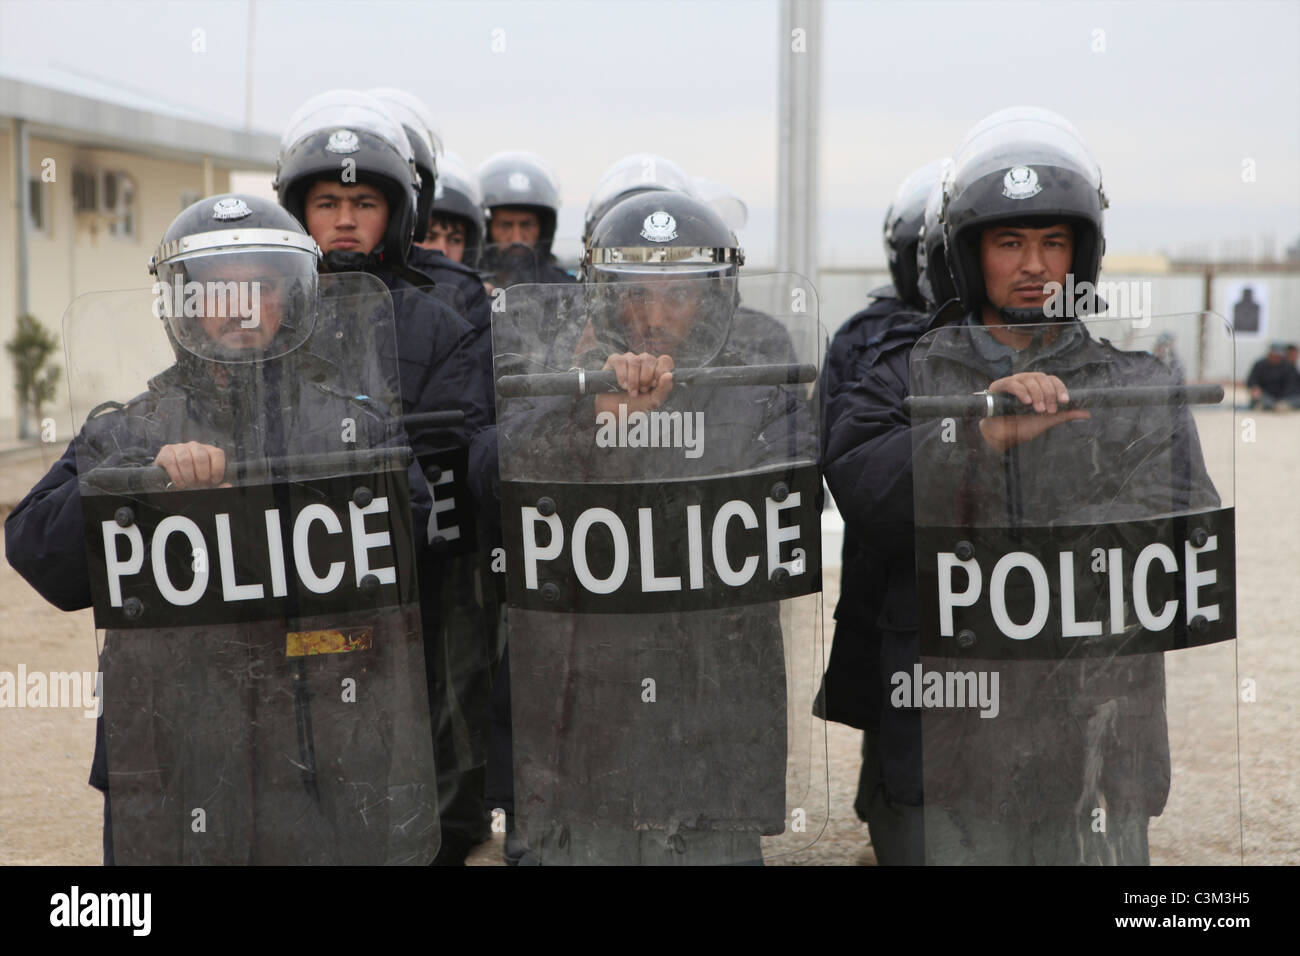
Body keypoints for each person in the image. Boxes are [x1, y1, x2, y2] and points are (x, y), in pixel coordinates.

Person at [824, 106, 1218, 865]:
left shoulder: (1136, 385)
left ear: (1083, 254)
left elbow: (1184, 524)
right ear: (969, 254)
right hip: (944, 732)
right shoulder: (898, 377)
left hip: (1094, 731)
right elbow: (866, 498)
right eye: (1009, 242)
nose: (1034, 265)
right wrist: (973, 437)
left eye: (1053, 241)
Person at [5, 194, 438, 864]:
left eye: (260, 288)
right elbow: (39, 555)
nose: (240, 307)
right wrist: (139, 482)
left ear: (293, 300)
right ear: (182, 303)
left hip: (322, 751)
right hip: (173, 754)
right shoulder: (128, 429)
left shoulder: (353, 427)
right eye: (220, 289)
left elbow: (415, 546)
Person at [495, 189, 814, 864]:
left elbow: (798, 500)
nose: (654, 317)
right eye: (636, 294)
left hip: (717, 694)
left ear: (712, 299)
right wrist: (593, 414)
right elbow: (489, 478)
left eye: (678, 296)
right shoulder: (563, 373)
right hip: (589, 696)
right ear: (605, 297)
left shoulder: (754, 380)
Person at [276, 90, 495, 864]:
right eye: (326, 201)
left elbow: (464, 441)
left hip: (420, 572)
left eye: (363, 202)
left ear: (397, 211)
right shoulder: (258, 309)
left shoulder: (444, 310)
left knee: (429, 726)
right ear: (295, 210)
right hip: (290, 573)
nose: (342, 218)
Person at [813, 160, 944, 853]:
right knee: (883, 678)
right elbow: (839, 448)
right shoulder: (868, 338)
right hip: (879, 551)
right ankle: (886, 803)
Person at [477, 150, 574, 286]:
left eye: (526, 225)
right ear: (486, 229)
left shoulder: (564, 288)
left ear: (544, 228)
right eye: (505, 225)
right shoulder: (469, 288)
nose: (517, 238)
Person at [1246, 343, 1300, 409]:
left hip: (1285, 398)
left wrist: (1284, 398)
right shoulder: (1259, 365)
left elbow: (1293, 384)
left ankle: (1275, 406)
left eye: (1278, 356)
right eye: (1274, 355)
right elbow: (1251, 380)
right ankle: (1268, 405)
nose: (1276, 358)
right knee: (1260, 397)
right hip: (1266, 395)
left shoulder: (1289, 366)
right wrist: (1254, 388)